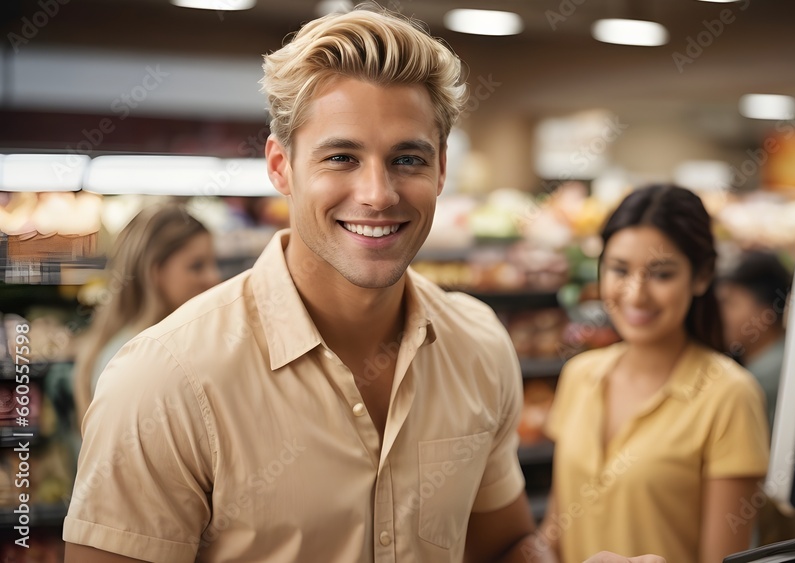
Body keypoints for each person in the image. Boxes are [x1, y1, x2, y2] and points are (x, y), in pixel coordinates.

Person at [64, 7, 661, 563]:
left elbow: (498, 550)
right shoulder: (164, 381)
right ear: (281, 167)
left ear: (442, 168)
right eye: (341, 158)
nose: (378, 194)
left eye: (408, 159)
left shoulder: (478, 345)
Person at [541, 185, 771, 563]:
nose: (635, 294)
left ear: (701, 277)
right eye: (619, 269)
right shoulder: (580, 375)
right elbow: (554, 532)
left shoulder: (729, 395)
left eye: (661, 274)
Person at [72, 202, 220, 419]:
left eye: (213, 263)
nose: (214, 278)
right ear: (155, 273)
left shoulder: (125, 347)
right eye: (197, 266)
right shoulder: (139, 357)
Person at [716, 251, 792, 429]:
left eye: (730, 303)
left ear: (765, 314)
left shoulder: (764, 379)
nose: (719, 314)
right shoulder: (774, 363)